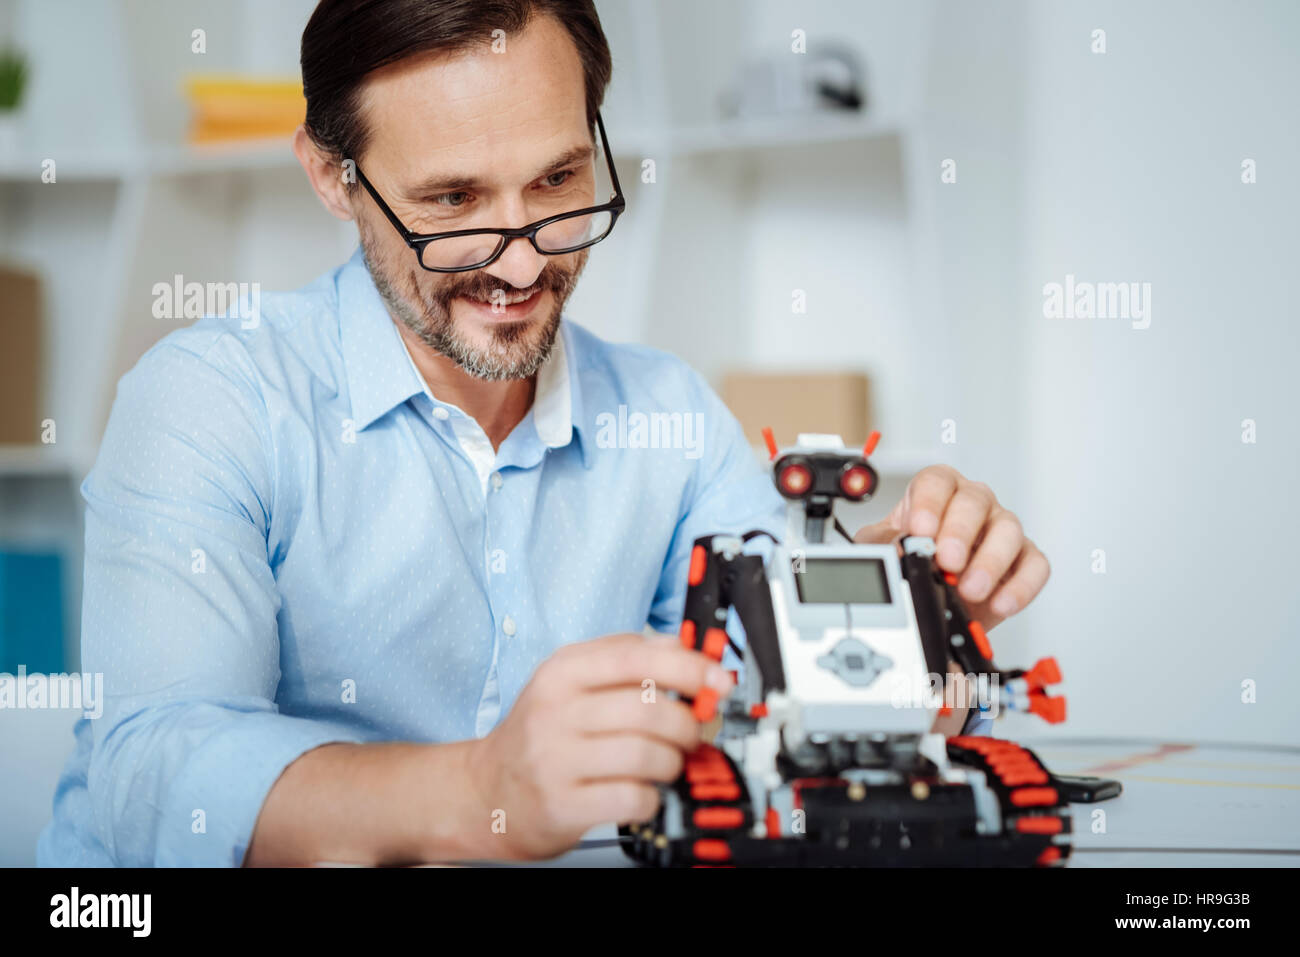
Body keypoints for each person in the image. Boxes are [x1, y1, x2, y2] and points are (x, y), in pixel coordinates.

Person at [38, 0, 1050, 867]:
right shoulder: (211, 399)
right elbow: (158, 767)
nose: (522, 264)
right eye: (453, 202)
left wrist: (906, 630)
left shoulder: (671, 417)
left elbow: (771, 712)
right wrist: (482, 790)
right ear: (330, 175)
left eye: (560, 183)